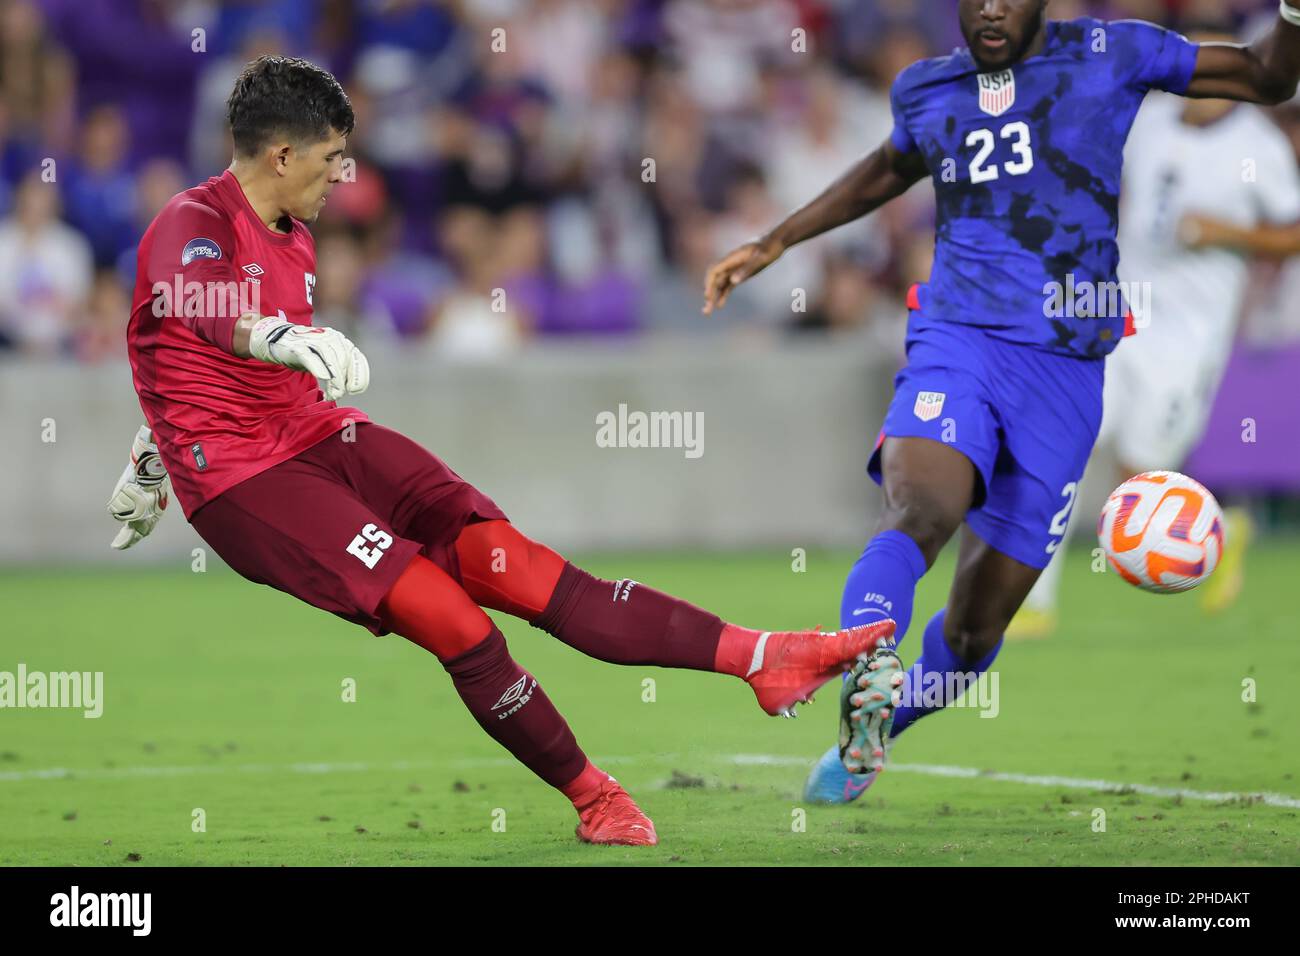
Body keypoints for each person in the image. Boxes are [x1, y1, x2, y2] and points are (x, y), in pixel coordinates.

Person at [107, 55, 897, 845]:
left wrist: (154, 446)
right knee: (456, 621)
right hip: (248, 481)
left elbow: (173, 350)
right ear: (282, 156)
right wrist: (243, 373)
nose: (343, 175)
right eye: (331, 158)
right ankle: (595, 797)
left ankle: (761, 658)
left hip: (313, 433)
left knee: (519, 566)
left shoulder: (296, 236)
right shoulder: (192, 221)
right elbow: (191, 306)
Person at [701, 0, 1300, 803]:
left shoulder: (1114, 53)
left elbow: (1265, 74)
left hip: (1066, 369)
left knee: (975, 634)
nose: (990, 9)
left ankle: (875, 734)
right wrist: (776, 241)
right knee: (921, 510)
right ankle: (869, 660)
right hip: (960, 336)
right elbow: (890, 165)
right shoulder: (926, 87)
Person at [1010, 25, 1300, 638]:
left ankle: (1218, 526)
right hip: (1117, 317)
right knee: (1063, 444)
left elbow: (1293, 231)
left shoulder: (1259, 147)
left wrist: (1228, 234)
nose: (1195, 78)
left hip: (1190, 337)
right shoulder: (1150, 122)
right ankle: (1032, 604)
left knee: (1142, 472)